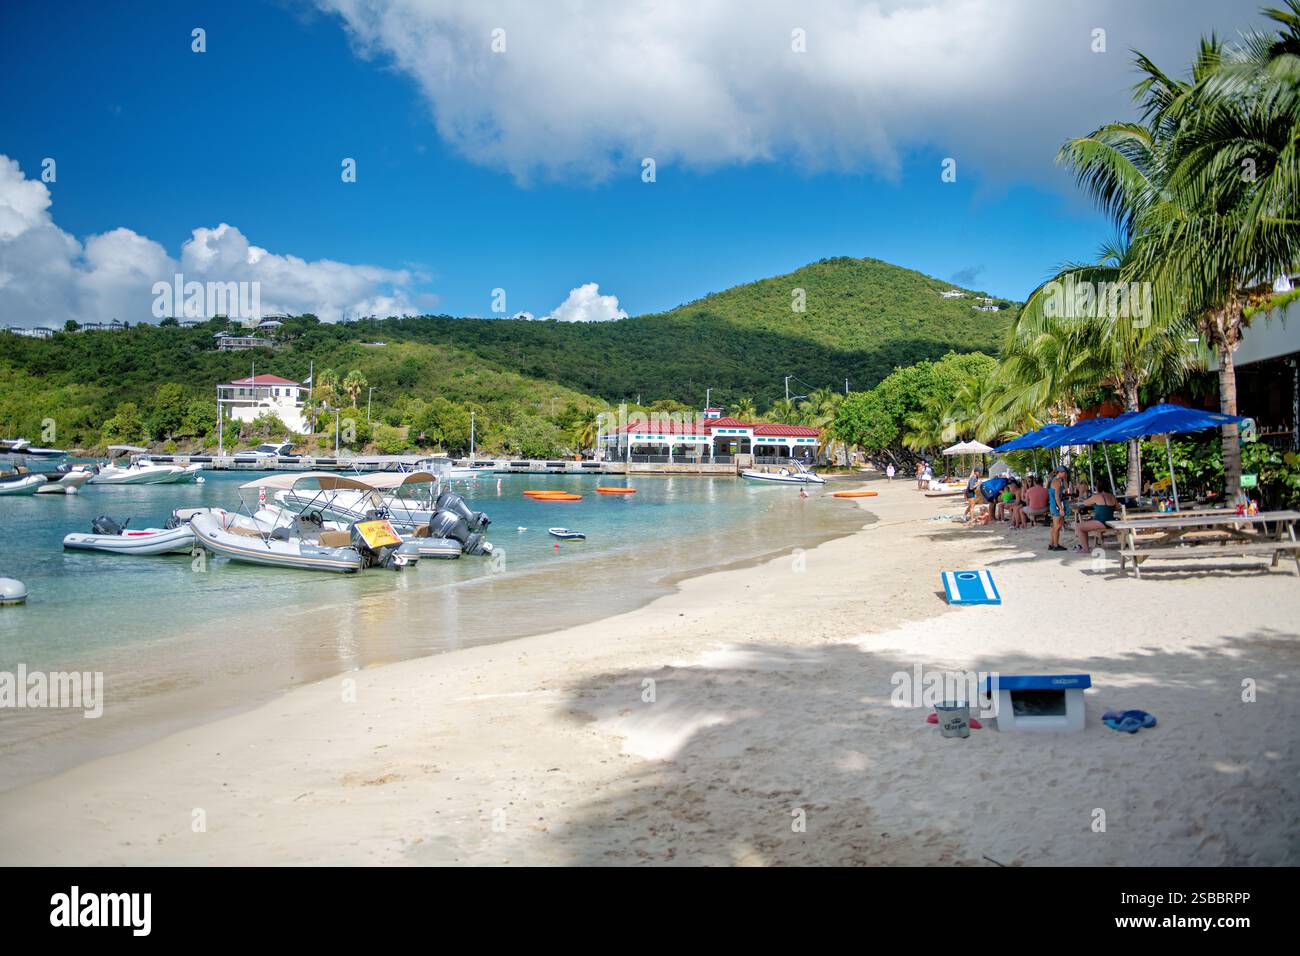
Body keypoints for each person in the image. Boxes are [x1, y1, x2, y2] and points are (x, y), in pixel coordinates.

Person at [1073, 486, 1119, 551]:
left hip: (1101, 522)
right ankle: (1085, 547)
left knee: (1078, 526)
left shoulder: (1097, 496)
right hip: (1110, 522)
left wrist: (1081, 493)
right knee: (1083, 526)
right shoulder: (1112, 496)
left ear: (1098, 488)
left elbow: (1084, 503)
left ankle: (1085, 549)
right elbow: (1117, 507)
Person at [1047, 465, 1072, 551]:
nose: (1066, 474)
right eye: (1065, 473)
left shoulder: (1057, 480)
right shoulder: (1057, 482)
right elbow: (1057, 497)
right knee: (1058, 526)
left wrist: (1065, 479)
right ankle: (1056, 545)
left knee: (1055, 526)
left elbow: (1066, 489)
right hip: (1057, 505)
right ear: (1060, 472)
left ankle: (1052, 543)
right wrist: (1061, 509)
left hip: (1055, 505)